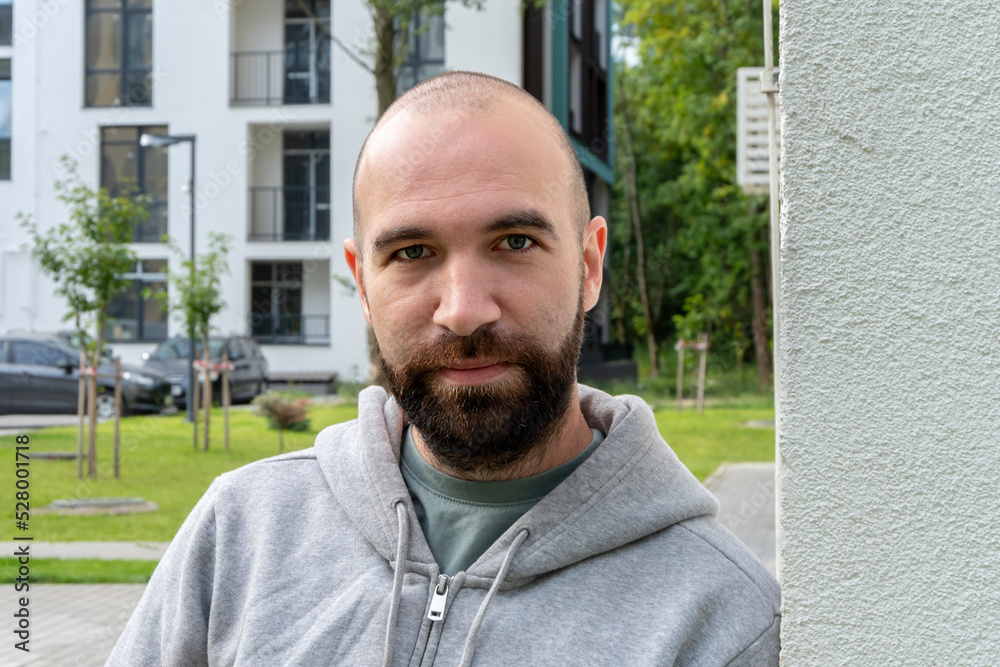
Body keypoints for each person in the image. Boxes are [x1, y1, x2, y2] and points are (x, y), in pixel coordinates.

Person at [108, 71, 780, 666]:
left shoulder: (722, 622)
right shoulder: (239, 536)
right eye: (412, 251)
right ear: (362, 285)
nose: (463, 310)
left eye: (515, 242)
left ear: (590, 264)